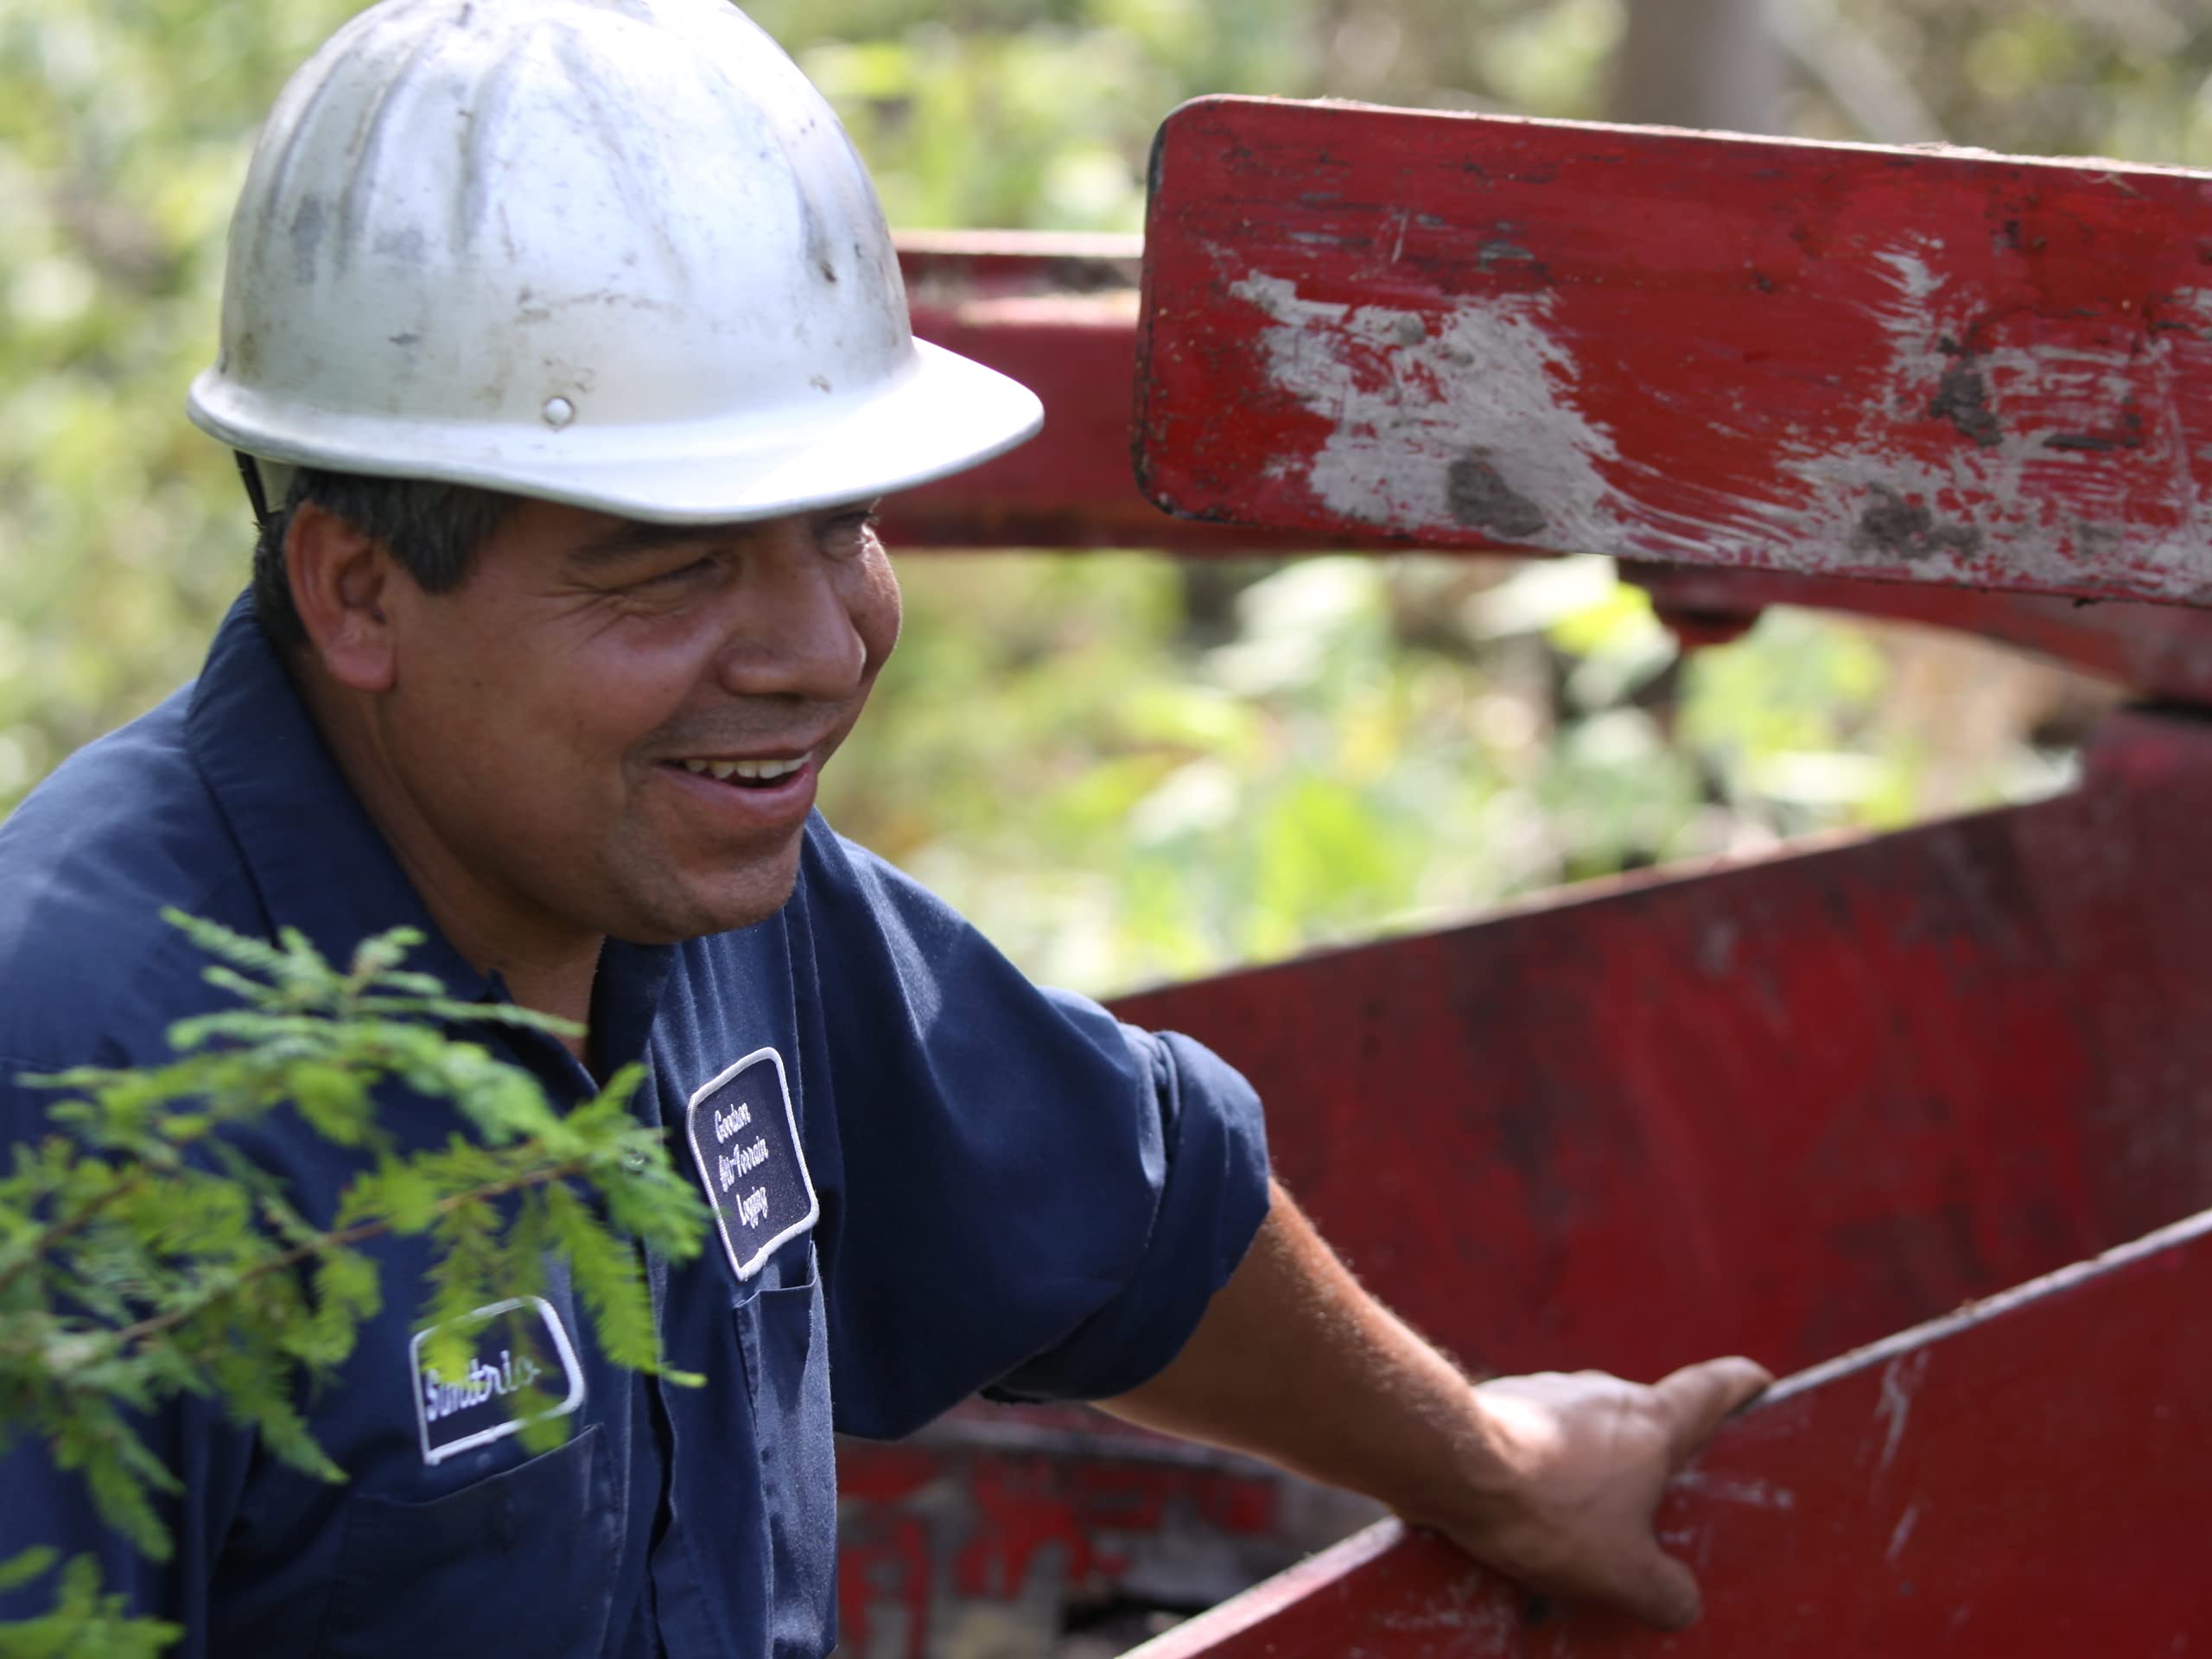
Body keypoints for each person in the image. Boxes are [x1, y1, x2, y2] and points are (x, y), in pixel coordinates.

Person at [0, 0, 1770, 1653]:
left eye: (838, 527)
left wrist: (1489, 1468)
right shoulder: (80, 1095)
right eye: (675, 568)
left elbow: (1123, 1216)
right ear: (359, 591)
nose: (819, 649)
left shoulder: (704, 895)